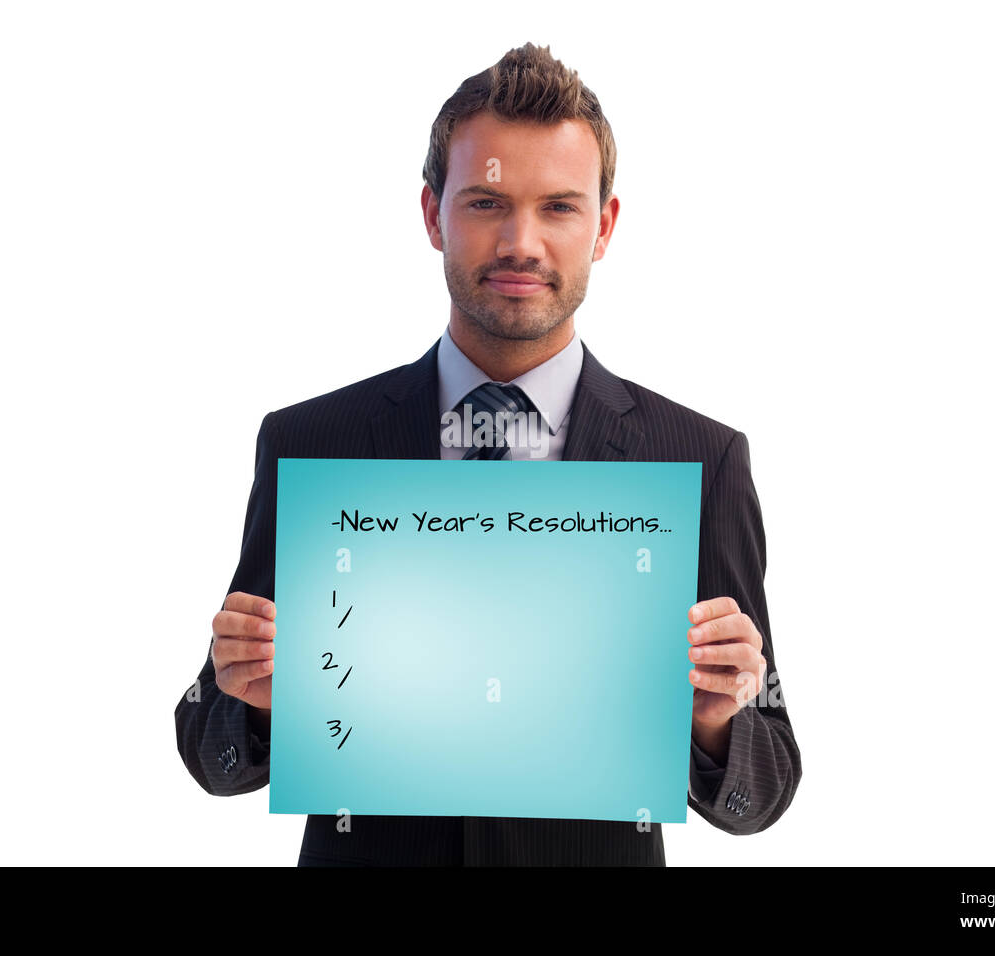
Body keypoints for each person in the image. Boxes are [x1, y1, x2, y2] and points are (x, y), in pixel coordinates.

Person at [174, 42, 802, 866]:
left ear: (603, 226)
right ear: (433, 214)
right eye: (486, 203)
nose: (521, 242)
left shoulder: (697, 460)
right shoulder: (309, 444)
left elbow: (766, 784)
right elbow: (210, 745)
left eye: (559, 208)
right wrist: (250, 704)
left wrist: (717, 718)